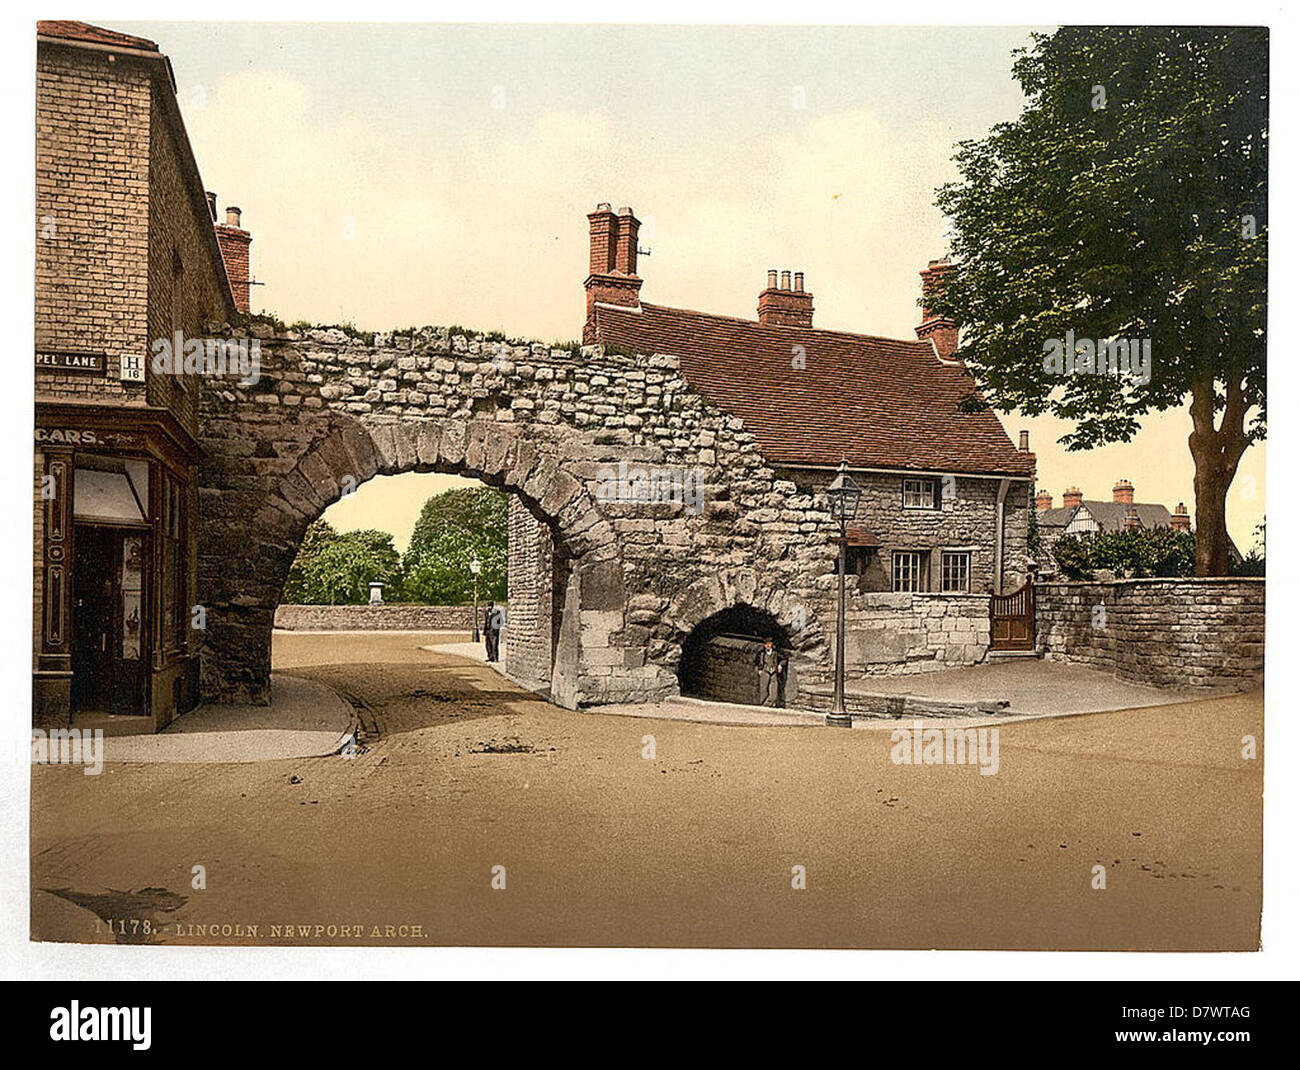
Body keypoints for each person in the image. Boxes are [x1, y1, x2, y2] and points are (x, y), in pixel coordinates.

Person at [755, 637, 787, 707]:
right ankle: (763, 703)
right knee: (763, 688)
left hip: (774, 672)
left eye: (769, 644)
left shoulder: (776, 653)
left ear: (771, 644)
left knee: (773, 688)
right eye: (766, 644)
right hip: (765, 671)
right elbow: (757, 662)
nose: (768, 645)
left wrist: (780, 665)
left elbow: (784, 659)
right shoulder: (762, 653)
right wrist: (760, 670)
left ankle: (771, 702)